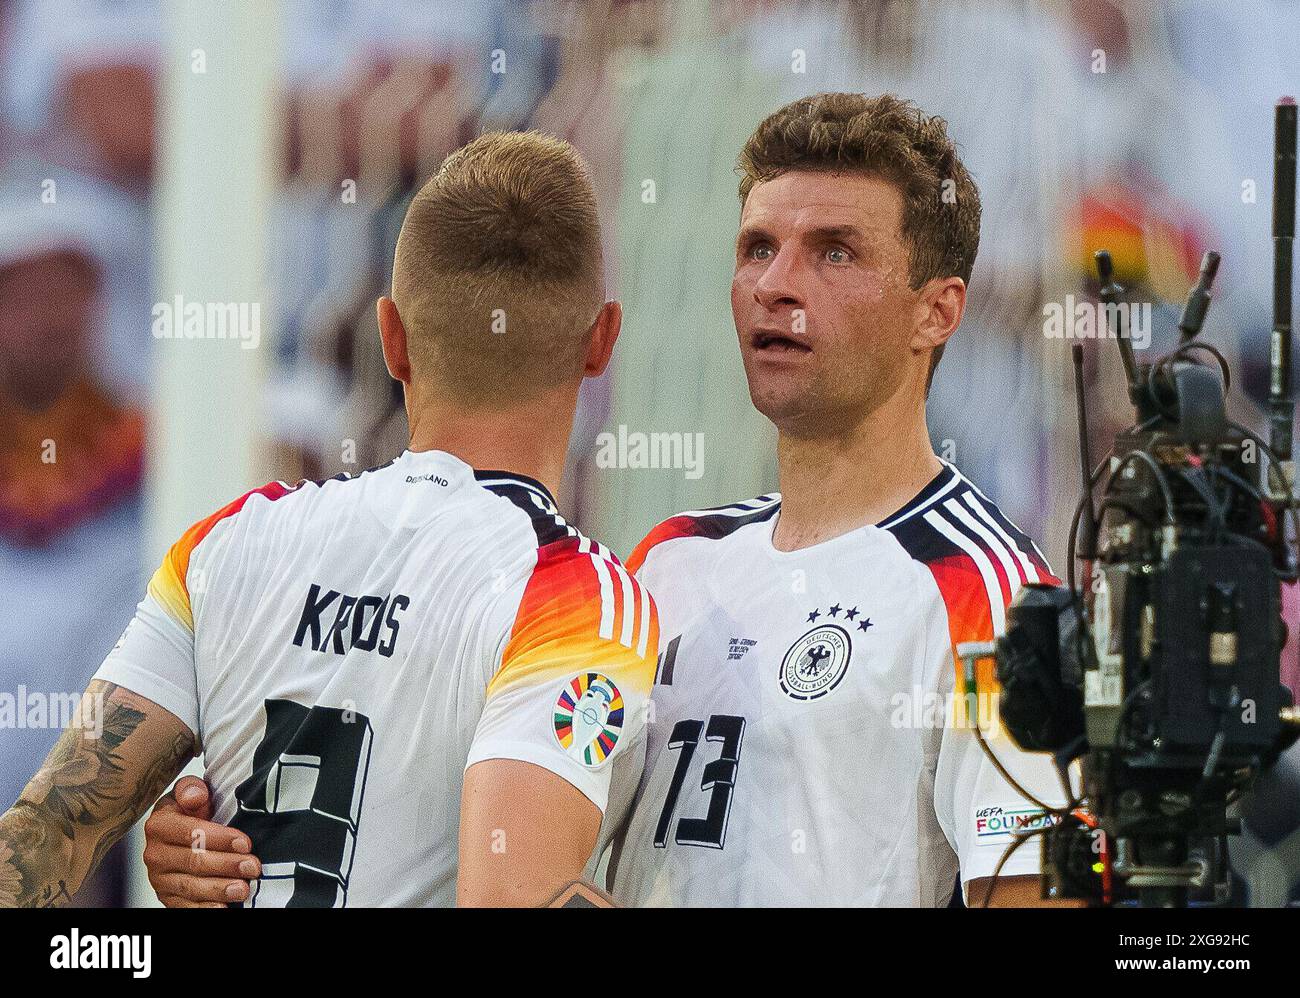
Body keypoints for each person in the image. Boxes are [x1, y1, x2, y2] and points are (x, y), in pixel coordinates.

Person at [145, 93, 1070, 907]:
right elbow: (525, 860)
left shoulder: (995, 600)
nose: (777, 286)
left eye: (835, 253)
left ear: (937, 311)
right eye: (758, 248)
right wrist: (233, 839)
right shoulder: (666, 562)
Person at [0, 130, 659, 908]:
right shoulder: (577, 597)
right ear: (603, 341)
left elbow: (44, 840)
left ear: (391, 339)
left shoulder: (233, 540)